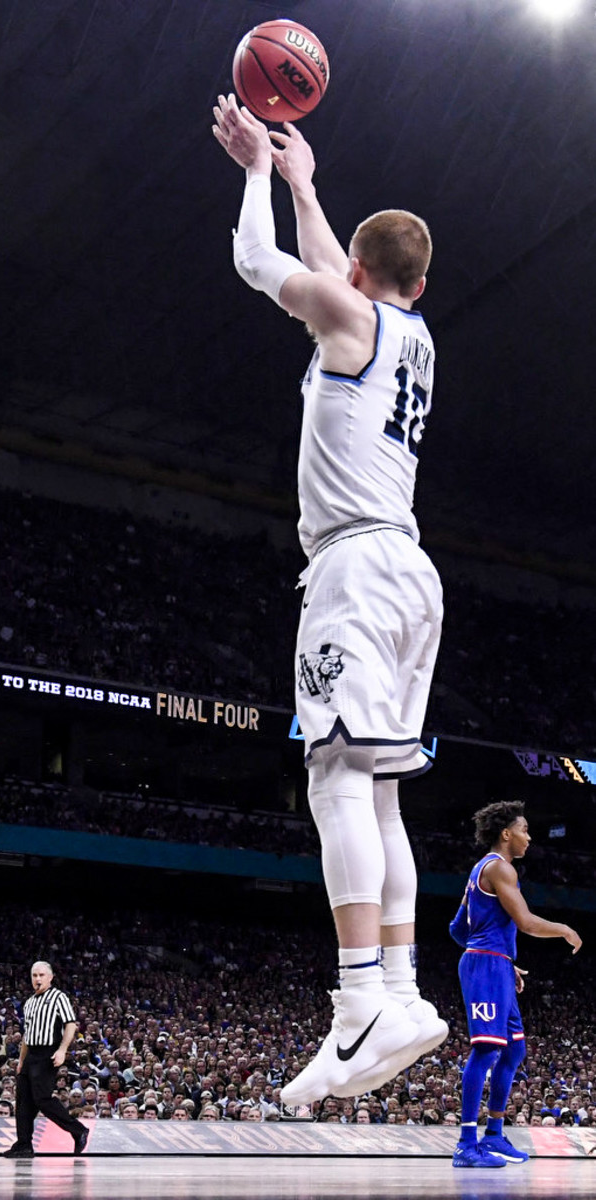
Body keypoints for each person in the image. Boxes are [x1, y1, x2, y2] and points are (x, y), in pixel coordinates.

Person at [212, 96, 446, 1105]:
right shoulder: (413, 332)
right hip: (408, 574)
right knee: (378, 788)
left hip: (353, 570)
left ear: (359, 273)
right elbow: (330, 268)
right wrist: (307, 182)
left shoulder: (348, 313)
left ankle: (359, 1003)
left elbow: (261, 266)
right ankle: (396, 989)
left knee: (334, 781)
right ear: (418, 281)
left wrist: (254, 173)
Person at [448, 801, 582, 1169]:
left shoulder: (481, 871)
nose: (529, 836)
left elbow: (458, 929)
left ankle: (493, 1134)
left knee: (513, 1052)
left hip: (496, 966)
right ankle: (465, 1144)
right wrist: (564, 930)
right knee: (486, 1052)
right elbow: (524, 921)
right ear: (506, 833)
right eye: (524, 829)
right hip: (487, 967)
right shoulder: (498, 868)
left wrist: (505, 962)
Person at [4, 961, 89, 1157]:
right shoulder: (29, 1002)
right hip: (31, 1052)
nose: (38, 979)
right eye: (34, 975)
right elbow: (27, 1033)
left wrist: (62, 1050)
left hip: (48, 1052)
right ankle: (24, 1144)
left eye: (41, 975)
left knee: (42, 1099)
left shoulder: (59, 997)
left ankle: (78, 1130)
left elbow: (70, 1024)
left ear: (50, 977)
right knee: (23, 1100)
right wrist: (21, 1060)